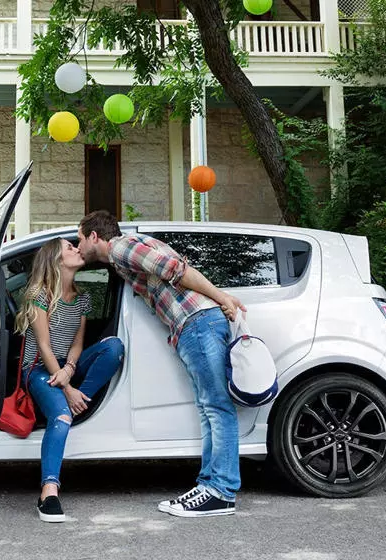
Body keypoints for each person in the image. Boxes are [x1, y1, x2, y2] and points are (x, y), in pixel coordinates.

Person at [76, 210, 246, 518]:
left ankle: (221, 491)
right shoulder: (125, 252)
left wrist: (223, 298)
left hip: (198, 322)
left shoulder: (120, 248)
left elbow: (176, 271)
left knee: (217, 407)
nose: (78, 247)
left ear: (94, 236)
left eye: (79, 239)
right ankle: (209, 485)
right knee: (209, 409)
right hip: (193, 326)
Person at [15, 237, 125, 523]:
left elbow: (78, 343)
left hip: (67, 368)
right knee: (62, 416)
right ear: (56, 259)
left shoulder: (83, 298)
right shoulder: (38, 295)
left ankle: (77, 402)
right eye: (70, 248)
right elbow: (44, 346)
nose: (77, 249)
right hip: (39, 369)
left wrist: (70, 371)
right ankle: (48, 491)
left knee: (113, 347)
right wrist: (64, 382)